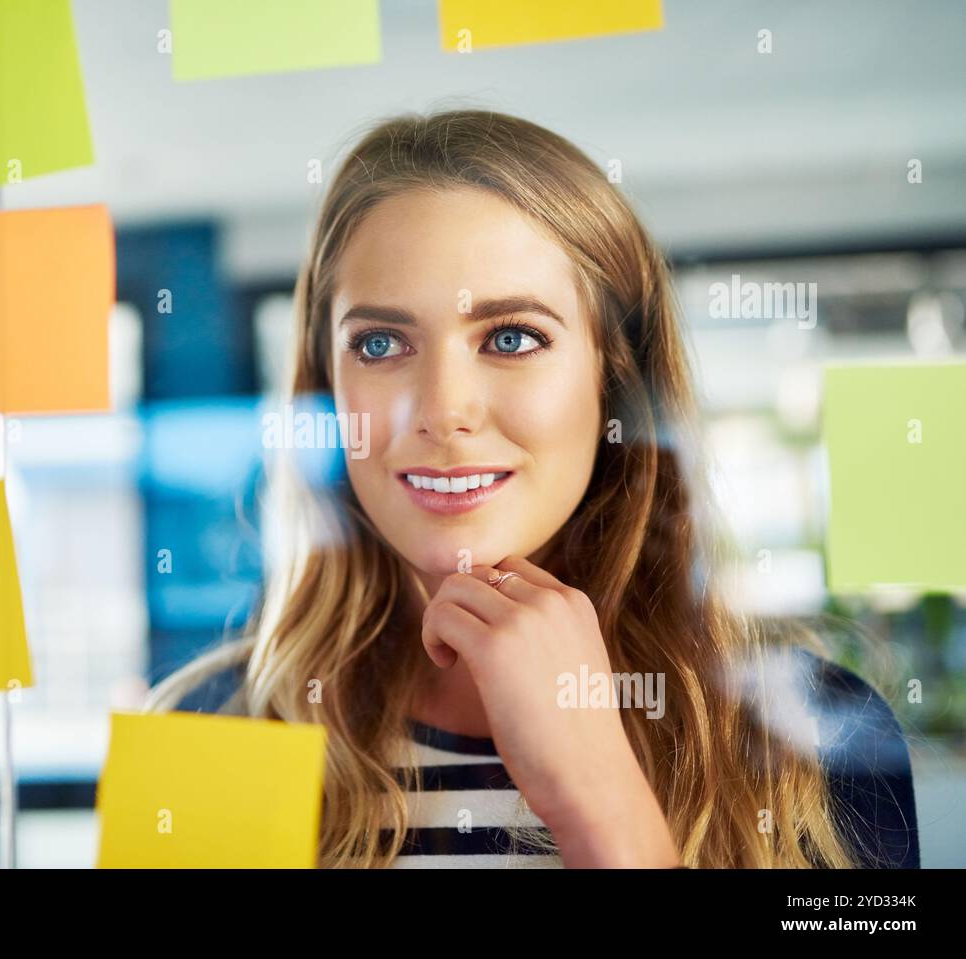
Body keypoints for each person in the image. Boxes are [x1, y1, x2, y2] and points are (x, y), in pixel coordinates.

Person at [145, 109, 920, 869]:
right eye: (380, 343)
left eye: (512, 337)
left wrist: (596, 796)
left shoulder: (817, 735)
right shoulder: (210, 730)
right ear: (326, 384)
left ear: (615, 382)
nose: (444, 411)